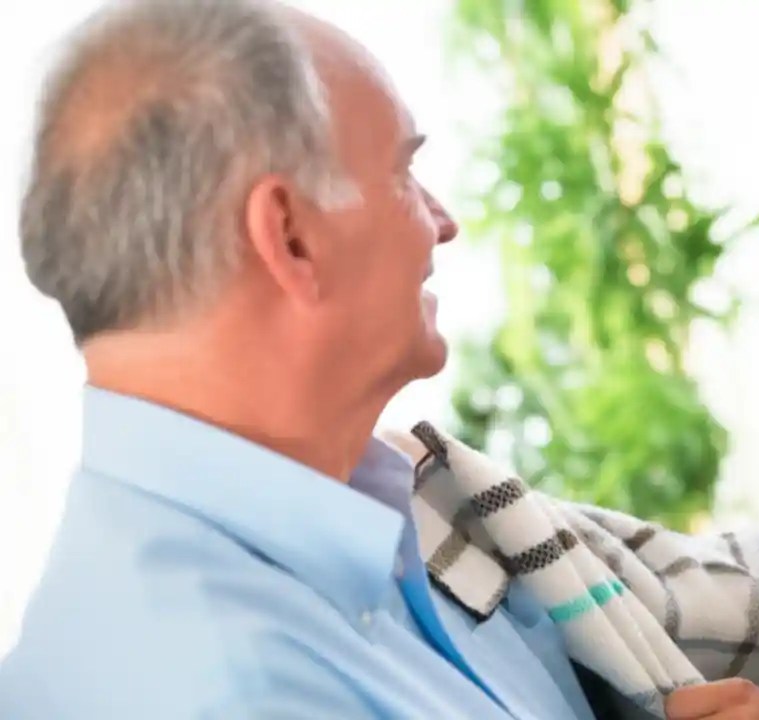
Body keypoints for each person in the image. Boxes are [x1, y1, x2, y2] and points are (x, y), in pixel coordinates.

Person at [0, 1, 601, 717]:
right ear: (290, 238)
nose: (443, 222)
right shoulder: (223, 690)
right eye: (404, 173)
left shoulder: (390, 518)